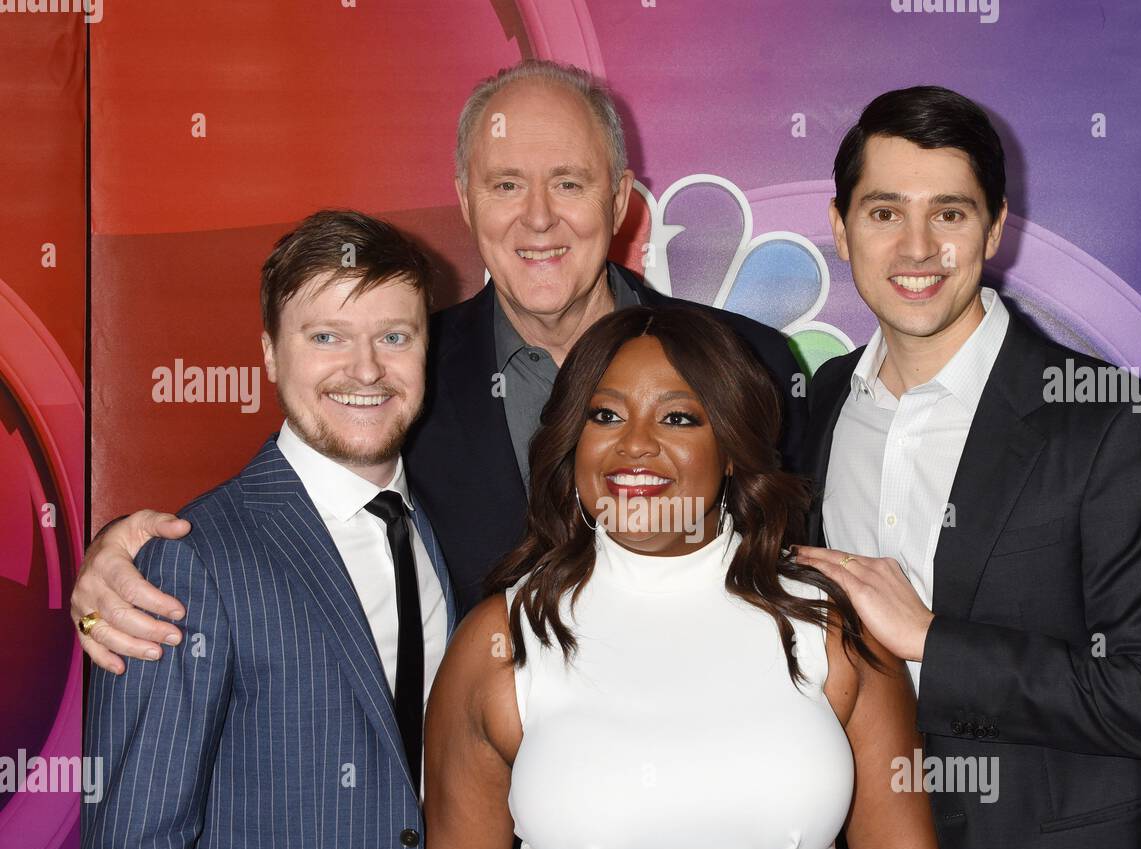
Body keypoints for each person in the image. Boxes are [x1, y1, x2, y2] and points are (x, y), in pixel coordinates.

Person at [70, 60, 805, 666]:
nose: (539, 217)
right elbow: (291, 515)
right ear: (465, 200)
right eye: (506, 184)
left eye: (570, 183)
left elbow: (801, 578)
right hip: (477, 811)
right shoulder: (397, 373)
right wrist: (127, 553)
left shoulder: (750, 363)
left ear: (619, 201)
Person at [795, 86, 1141, 849]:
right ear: (838, 226)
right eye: (883, 212)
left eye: (949, 212)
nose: (915, 248)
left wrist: (936, 645)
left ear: (993, 230)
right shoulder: (816, 407)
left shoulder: (1111, 422)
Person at [419, 305, 944, 849]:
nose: (635, 448)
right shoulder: (500, 640)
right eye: (605, 415)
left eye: (678, 419)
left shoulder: (833, 627)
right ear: (571, 442)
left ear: (732, 447)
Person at [82, 211, 456, 849]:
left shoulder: (440, 527)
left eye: (394, 336)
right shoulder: (193, 558)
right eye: (327, 336)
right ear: (267, 354)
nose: (366, 368)